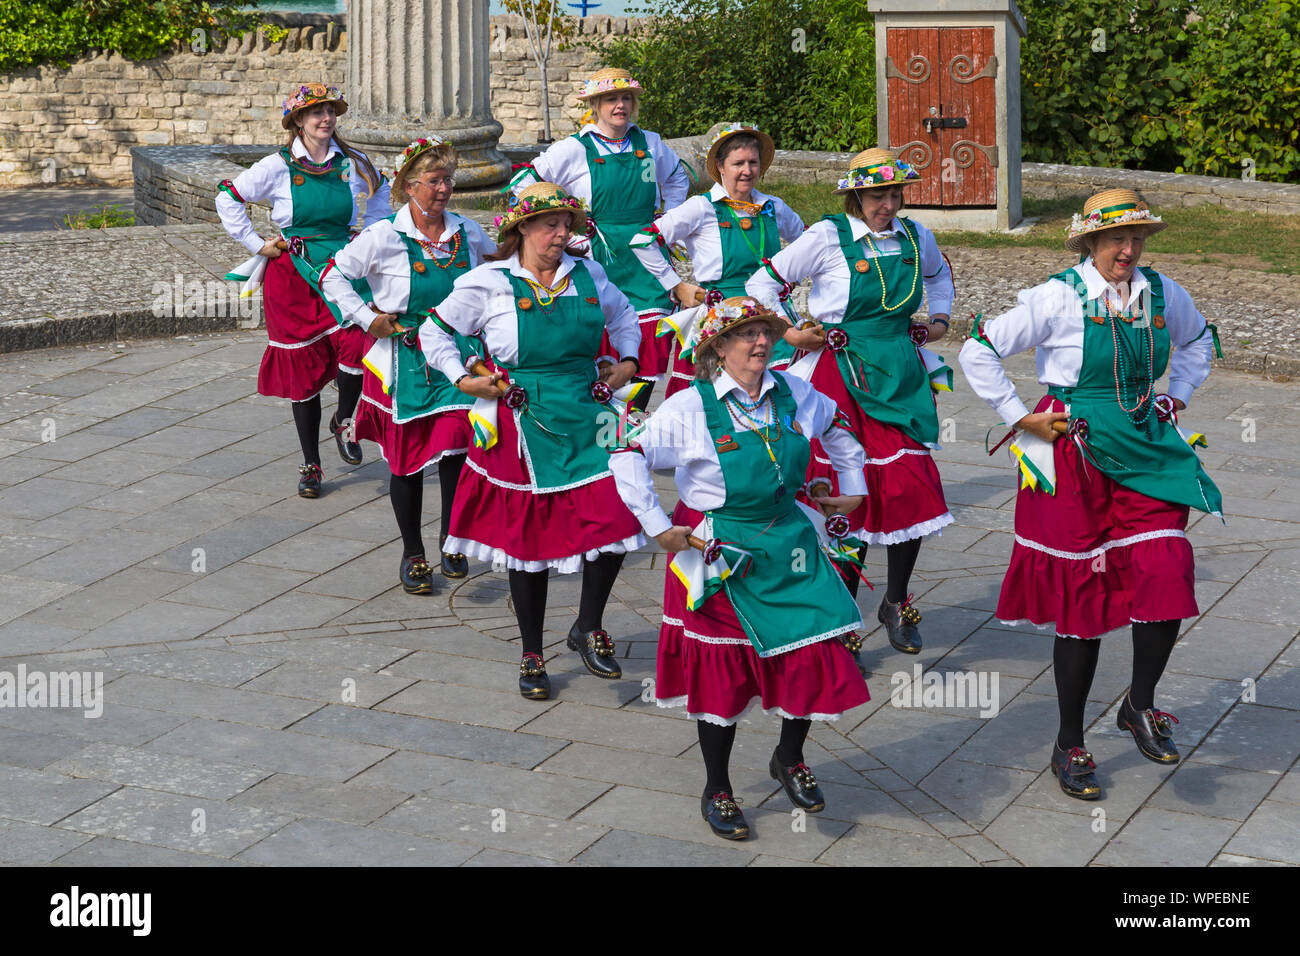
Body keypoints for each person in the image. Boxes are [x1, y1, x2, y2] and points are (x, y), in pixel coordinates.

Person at [958, 188, 1222, 800]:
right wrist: (1018, 414)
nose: (1127, 249)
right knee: (1083, 599)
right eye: (1114, 240)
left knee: (1166, 568)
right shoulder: (1057, 297)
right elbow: (979, 347)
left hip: (1144, 446)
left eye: (1135, 239)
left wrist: (1174, 395)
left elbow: (1201, 339)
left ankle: (1140, 704)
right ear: (1089, 243)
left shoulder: (1160, 292)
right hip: (1072, 452)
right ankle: (1070, 740)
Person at [609, 295, 870, 841]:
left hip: (791, 540)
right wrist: (657, 524)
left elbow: (842, 429)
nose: (761, 343)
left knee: (814, 648)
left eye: (766, 333)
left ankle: (789, 756)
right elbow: (626, 452)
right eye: (746, 334)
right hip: (721, 553)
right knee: (723, 674)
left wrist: (851, 487)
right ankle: (718, 787)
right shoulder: (689, 408)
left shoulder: (795, 391)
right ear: (718, 347)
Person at [420, 182, 645, 699]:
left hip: (592, 409)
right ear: (521, 228)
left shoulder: (588, 274)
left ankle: (587, 625)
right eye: (550, 225)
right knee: (531, 544)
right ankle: (531, 652)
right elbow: (433, 332)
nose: (562, 234)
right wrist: (461, 378)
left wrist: (627, 362)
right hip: (522, 421)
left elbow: (625, 317)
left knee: (620, 513)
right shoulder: (489, 281)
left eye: (568, 224)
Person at [747, 147, 955, 655]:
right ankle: (839, 613)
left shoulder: (915, 237)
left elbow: (940, 275)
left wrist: (941, 319)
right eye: (877, 194)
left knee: (910, 485)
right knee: (846, 490)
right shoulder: (825, 237)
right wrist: (791, 332)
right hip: (839, 376)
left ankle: (896, 600)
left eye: (894, 194)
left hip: (900, 374)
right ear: (855, 196)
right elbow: (763, 284)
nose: (887, 204)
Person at [319, 137, 495, 594]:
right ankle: (412, 550)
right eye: (435, 181)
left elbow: (503, 263)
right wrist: (367, 318)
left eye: (448, 180)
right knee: (408, 462)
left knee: (459, 447)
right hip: (405, 357)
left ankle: (452, 538)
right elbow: (332, 275)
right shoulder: (383, 236)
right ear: (408, 186)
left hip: (459, 353)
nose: (444, 189)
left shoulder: (467, 232)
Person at [216, 82, 390, 497]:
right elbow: (228, 197)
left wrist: (372, 233)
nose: (326, 118)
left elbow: (382, 190)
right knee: (304, 371)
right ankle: (310, 464)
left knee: (360, 342)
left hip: (343, 268)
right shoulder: (275, 166)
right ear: (297, 121)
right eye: (316, 112)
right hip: (292, 275)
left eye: (330, 111)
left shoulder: (352, 161)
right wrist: (257, 244)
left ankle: (344, 421)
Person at [508, 67, 690, 396]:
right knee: (602, 336)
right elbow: (522, 182)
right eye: (610, 99)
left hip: (646, 258)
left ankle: (632, 421)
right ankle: (604, 421)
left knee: (649, 340)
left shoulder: (650, 144)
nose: (619, 105)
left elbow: (677, 179)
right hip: (599, 256)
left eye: (625, 98)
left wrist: (666, 220)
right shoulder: (574, 148)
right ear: (595, 105)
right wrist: (568, 227)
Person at [630, 123, 805, 396]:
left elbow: (807, 242)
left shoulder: (773, 207)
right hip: (721, 315)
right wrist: (676, 286)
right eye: (738, 164)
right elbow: (643, 240)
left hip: (770, 312)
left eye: (753, 162)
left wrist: (791, 275)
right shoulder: (702, 207)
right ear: (720, 167)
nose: (747, 171)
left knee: (778, 392)